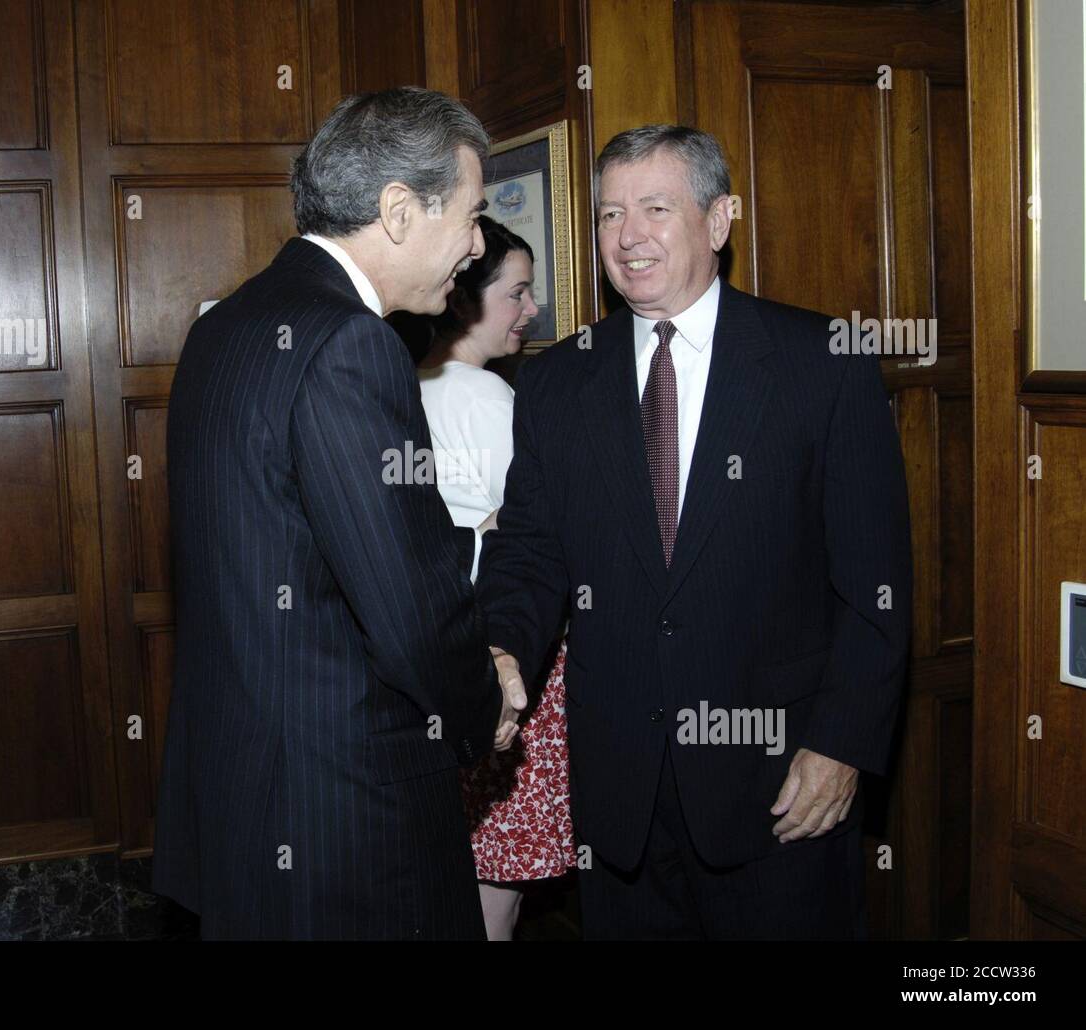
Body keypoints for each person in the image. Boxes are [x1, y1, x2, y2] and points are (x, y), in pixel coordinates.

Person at [477, 124, 912, 939]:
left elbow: (876, 583)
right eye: (609, 215)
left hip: (779, 788)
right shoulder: (556, 380)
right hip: (620, 799)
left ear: (720, 220)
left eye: (654, 208)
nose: (628, 236)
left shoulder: (823, 361)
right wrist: (502, 645)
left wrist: (843, 745)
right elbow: (530, 550)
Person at [152, 87, 527, 941]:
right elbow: (410, 606)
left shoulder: (226, 322)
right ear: (399, 210)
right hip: (343, 822)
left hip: (243, 797)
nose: (476, 247)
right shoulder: (349, 342)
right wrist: (486, 704)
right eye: (470, 217)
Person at [417, 216, 575, 941]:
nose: (531, 309)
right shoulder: (486, 398)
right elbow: (537, 534)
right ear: (466, 301)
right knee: (500, 878)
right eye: (518, 293)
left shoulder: (412, 385)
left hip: (446, 653)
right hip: (511, 655)